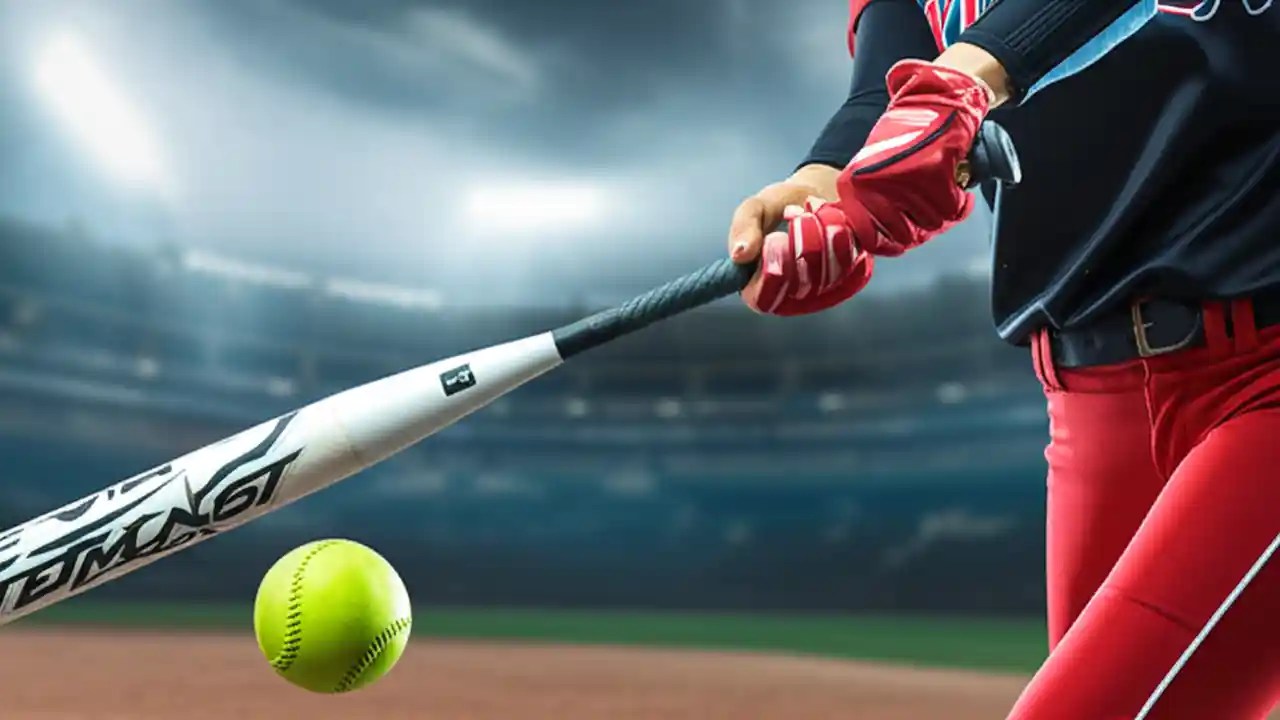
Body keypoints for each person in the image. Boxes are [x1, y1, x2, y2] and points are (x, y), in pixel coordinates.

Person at [726, 1, 1280, 717]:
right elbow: (885, 98)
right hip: (1088, 400)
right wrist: (819, 190)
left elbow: (953, 81)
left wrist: (963, 81)